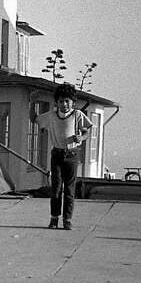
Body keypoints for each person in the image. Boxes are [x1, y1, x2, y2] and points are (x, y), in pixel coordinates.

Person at [36, 83, 92, 230]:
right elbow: (35, 119)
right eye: (61, 101)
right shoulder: (51, 116)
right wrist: (32, 102)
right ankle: (54, 219)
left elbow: (86, 132)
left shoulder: (78, 115)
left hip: (72, 155)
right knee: (55, 189)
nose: (64, 104)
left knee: (69, 190)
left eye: (67, 101)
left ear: (73, 102)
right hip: (57, 155)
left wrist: (81, 138)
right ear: (57, 102)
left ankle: (67, 220)